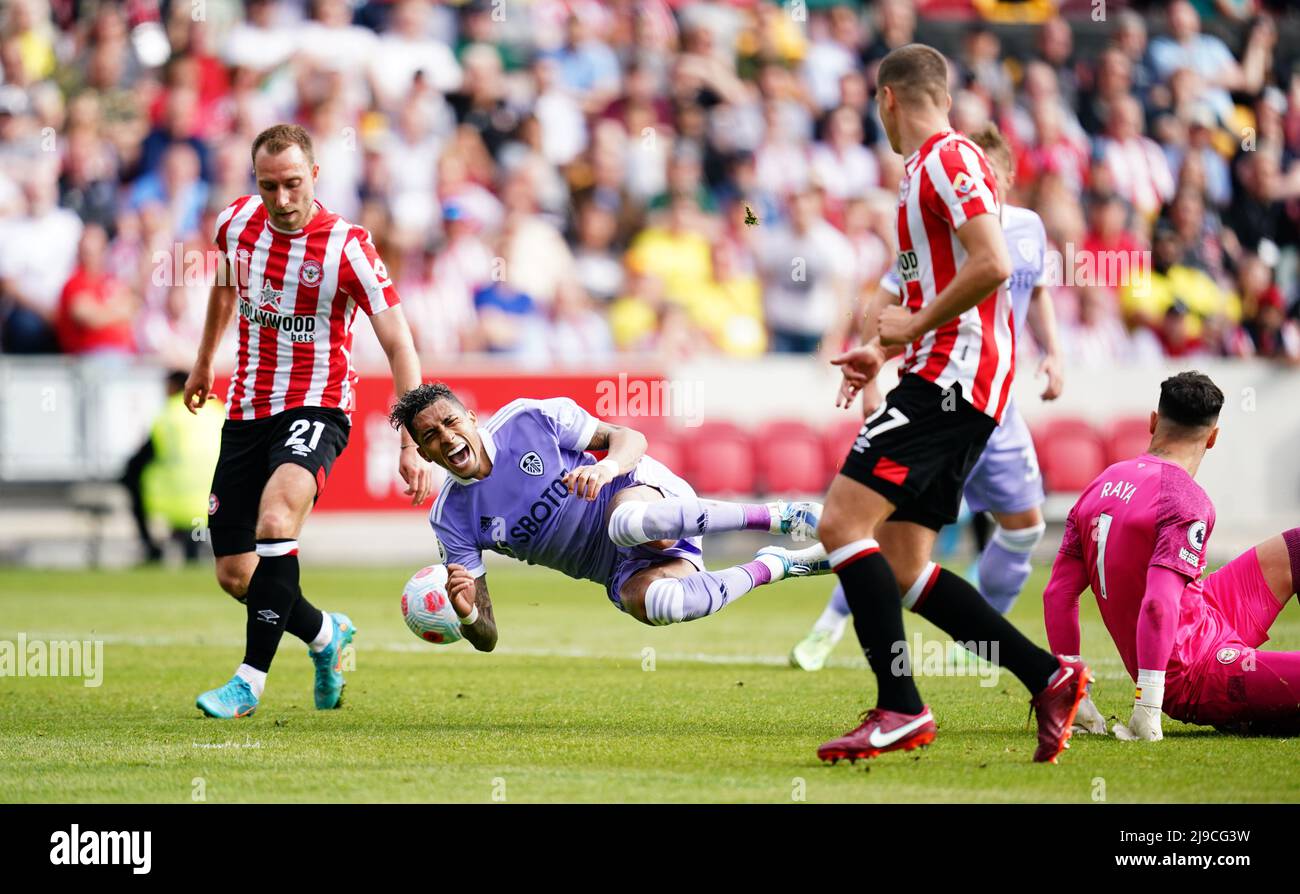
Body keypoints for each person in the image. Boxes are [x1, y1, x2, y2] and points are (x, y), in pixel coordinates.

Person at [814, 44, 1090, 765]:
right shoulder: (918, 177)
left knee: (841, 521)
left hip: (951, 380)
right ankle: (1048, 675)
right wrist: (882, 347)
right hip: (948, 377)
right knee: (905, 565)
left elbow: (993, 263)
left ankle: (900, 707)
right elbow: (924, 291)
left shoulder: (948, 158)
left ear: (887, 100)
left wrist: (912, 330)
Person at [790, 123, 1065, 671]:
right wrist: (876, 361)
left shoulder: (1027, 230)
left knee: (1016, 528)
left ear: (1007, 175)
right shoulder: (936, 232)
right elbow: (886, 303)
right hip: (945, 391)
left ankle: (986, 647)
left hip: (986, 400)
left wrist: (1053, 353)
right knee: (881, 538)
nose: (976, 185)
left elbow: (1029, 288)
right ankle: (838, 633)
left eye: (988, 174)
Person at [184, 124, 432, 719]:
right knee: (236, 574)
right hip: (247, 409)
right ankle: (326, 635)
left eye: (293, 184)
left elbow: (399, 342)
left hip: (317, 406)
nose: (283, 199)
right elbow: (225, 285)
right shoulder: (235, 224)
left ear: (314, 176)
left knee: (276, 517)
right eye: (269, 186)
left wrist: (412, 439)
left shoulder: (348, 247)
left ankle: (248, 682)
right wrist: (202, 364)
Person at [388, 383, 828, 649]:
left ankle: (779, 515)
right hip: (621, 569)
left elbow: (628, 437)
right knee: (662, 604)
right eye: (430, 436)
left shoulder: (528, 419)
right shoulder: (452, 519)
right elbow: (487, 638)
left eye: (450, 422)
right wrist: (466, 615)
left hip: (642, 498)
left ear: (469, 416)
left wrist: (606, 467)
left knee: (627, 524)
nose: (446, 438)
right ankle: (778, 564)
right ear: (423, 452)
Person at [1044, 371, 1300, 739]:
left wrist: (1072, 690)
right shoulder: (1185, 497)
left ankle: (1260, 713)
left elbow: (1057, 593)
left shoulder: (1099, 485)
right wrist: (1148, 703)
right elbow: (1159, 605)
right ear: (1212, 438)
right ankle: (1255, 712)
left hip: (1205, 612)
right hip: (1193, 670)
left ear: (1152, 422)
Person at [121, 370, 224, 563]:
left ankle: (151, 547)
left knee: (130, 478)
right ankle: (193, 543)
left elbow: (137, 462)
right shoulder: (217, 411)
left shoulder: (168, 415)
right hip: (217, 499)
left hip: (175, 500)